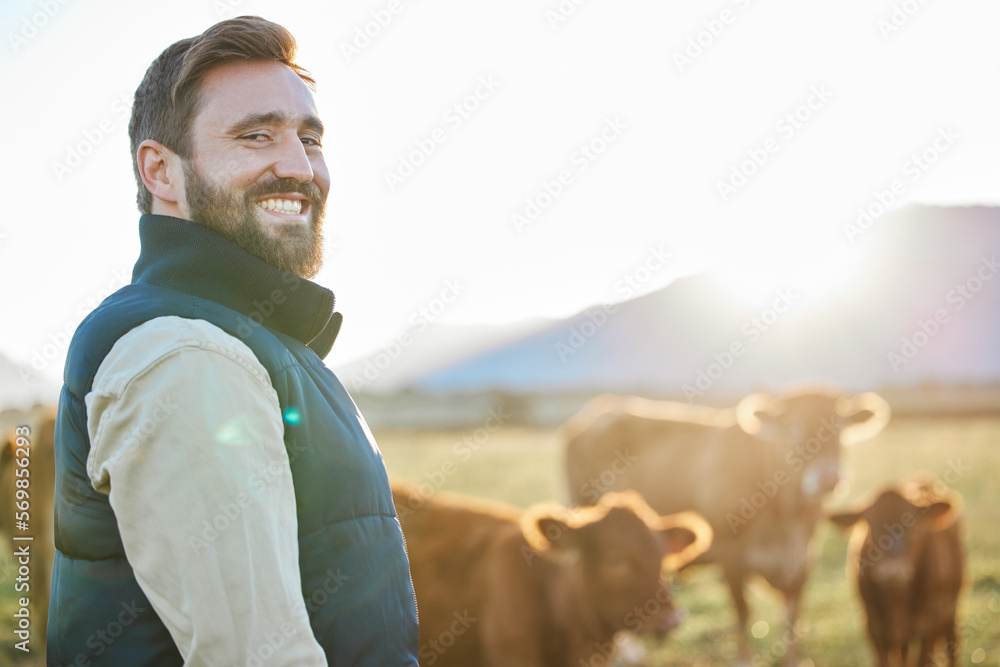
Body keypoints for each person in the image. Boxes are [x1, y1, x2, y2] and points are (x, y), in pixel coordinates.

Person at [48, 16, 419, 666]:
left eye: (310, 138)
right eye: (256, 136)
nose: (300, 166)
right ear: (161, 172)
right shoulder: (186, 352)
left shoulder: (247, 337)